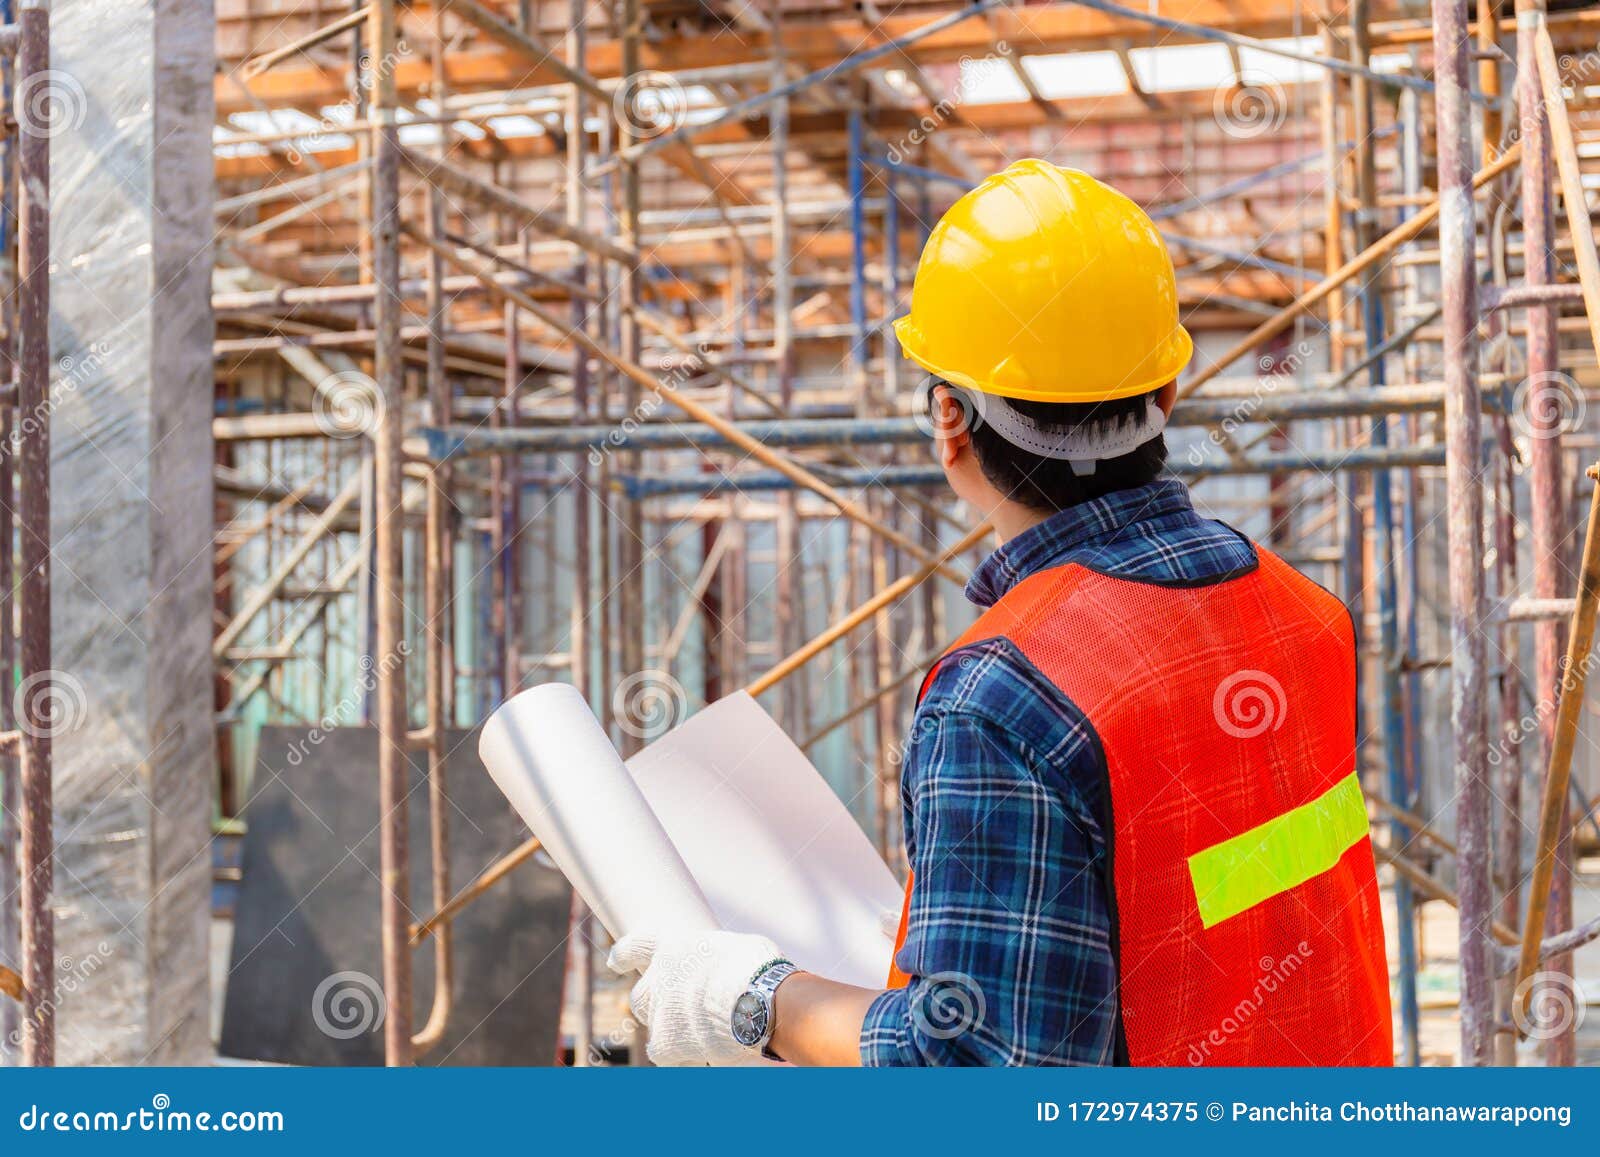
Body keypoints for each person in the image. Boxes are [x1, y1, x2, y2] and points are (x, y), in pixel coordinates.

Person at [606, 160, 1393, 1067]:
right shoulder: (1302, 609)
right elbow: (1206, 908)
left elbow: (972, 1071)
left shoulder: (1005, 698)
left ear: (949, 418)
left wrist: (746, 1000)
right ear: (1167, 393)